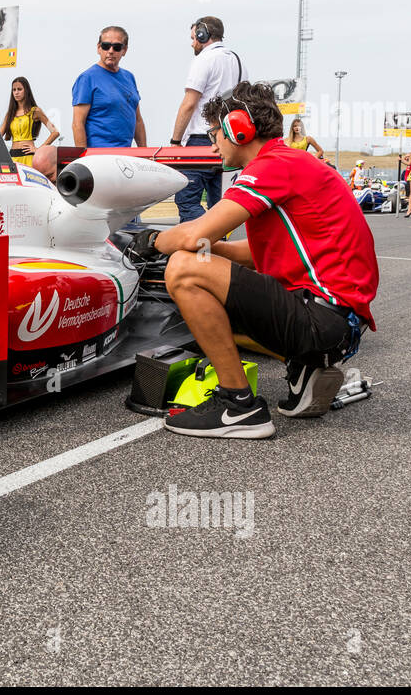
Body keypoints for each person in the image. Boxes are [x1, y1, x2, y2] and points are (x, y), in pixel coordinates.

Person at [130, 81, 378, 439]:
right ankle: (304, 365)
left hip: (320, 320)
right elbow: (256, 254)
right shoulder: (293, 162)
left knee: (184, 270)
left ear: (238, 128)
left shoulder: (272, 166)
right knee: (208, 290)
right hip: (336, 322)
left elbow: (191, 236)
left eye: (215, 132)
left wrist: (153, 240)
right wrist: (211, 250)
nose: (213, 142)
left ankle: (239, 407)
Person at [169, 17, 247, 223]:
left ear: (203, 35)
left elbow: (189, 103)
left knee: (187, 200)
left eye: (194, 37)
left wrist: (176, 142)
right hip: (229, 141)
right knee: (220, 205)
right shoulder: (237, 60)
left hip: (201, 140)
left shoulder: (204, 59)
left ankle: (203, 244)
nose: (192, 42)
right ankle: (218, 247)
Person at [70, 26, 146, 149]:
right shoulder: (87, 78)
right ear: (99, 48)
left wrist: (145, 153)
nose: (110, 51)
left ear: (124, 50)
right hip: (99, 154)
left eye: (116, 47)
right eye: (106, 46)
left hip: (126, 155)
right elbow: (77, 123)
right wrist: (83, 158)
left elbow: (137, 120)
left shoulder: (129, 77)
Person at [0, 77, 59, 166]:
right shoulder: (10, 114)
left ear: (26, 91)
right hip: (12, 157)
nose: (16, 92)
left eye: (19, 89)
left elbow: (55, 132)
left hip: (29, 157)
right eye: (14, 90)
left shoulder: (36, 111)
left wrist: (39, 149)